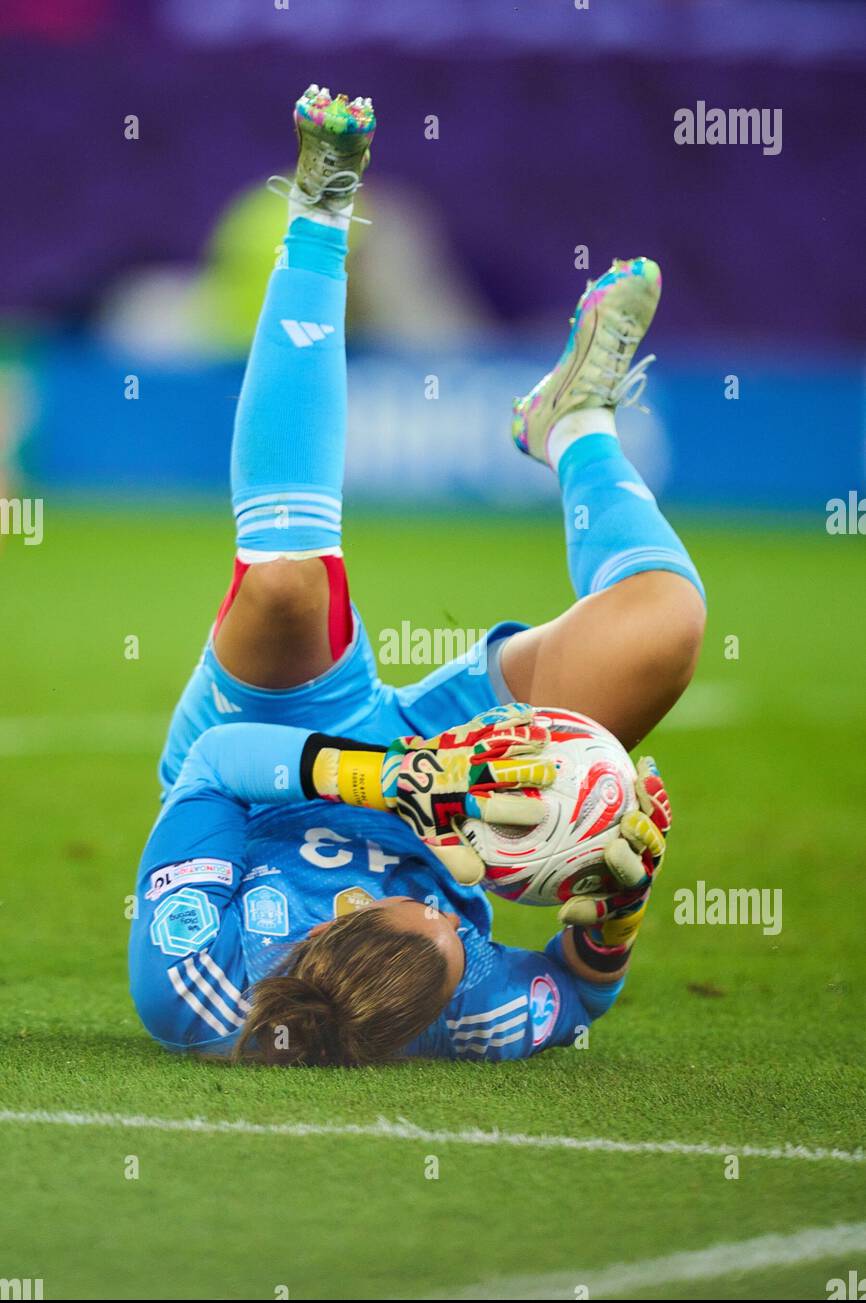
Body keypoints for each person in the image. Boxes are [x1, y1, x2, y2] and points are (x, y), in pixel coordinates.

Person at [128, 85, 705, 1066]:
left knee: (284, 586)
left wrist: (380, 778)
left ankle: (317, 211)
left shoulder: (191, 979)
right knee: (665, 629)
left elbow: (212, 766)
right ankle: (572, 422)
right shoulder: (460, 1011)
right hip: (461, 773)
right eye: (461, 926)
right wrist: (616, 911)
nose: (452, 912)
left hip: (271, 764)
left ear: (334, 924)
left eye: (421, 911)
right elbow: (572, 993)